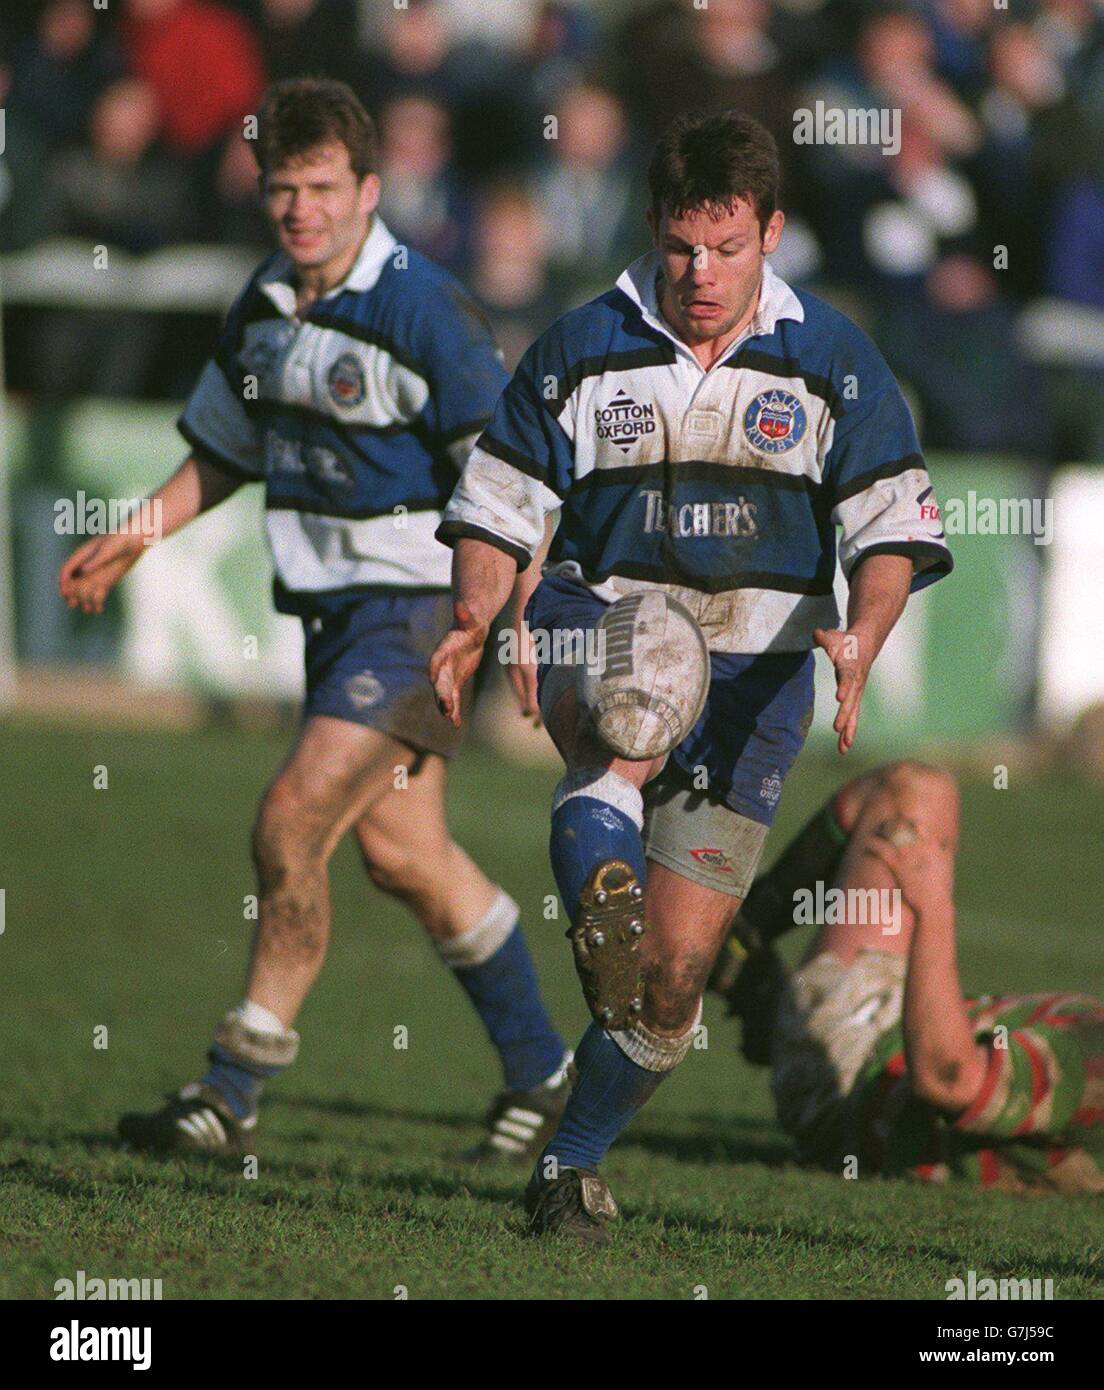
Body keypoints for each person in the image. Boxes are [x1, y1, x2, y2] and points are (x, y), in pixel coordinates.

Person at [429, 109, 951, 1241]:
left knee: (668, 991)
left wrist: (862, 633)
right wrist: (479, 610)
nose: (700, 273)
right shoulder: (580, 345)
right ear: (652, 229)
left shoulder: (832, 360)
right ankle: (599, 874)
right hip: (596, 615)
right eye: (679, 247)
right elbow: (498, 509)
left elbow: (891, 530)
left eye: (727, 247)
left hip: (761, 683)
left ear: (772, 232)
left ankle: (570, 1162)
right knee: (646, 671)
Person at [59, 78, 570, 1164]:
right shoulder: (263, 304)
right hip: (334, 623)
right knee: (406, 857)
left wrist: (510, 617)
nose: (301, 210)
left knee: (289, 816)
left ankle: (232, 1087)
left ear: (370, 189)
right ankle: (546, 1073)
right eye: (282, 190)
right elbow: (226, 450)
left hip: (416, 613)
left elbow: (508, 480)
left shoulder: (425, 309)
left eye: (323, 188)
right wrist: (137, 531)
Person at [710, 760, 1104, 1194]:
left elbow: (947, 1079)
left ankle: (737, 944)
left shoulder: (1094, 1066)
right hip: (873, 1065)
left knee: (913, 791)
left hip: (855, 1067)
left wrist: (933, 907)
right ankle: (758, 985)